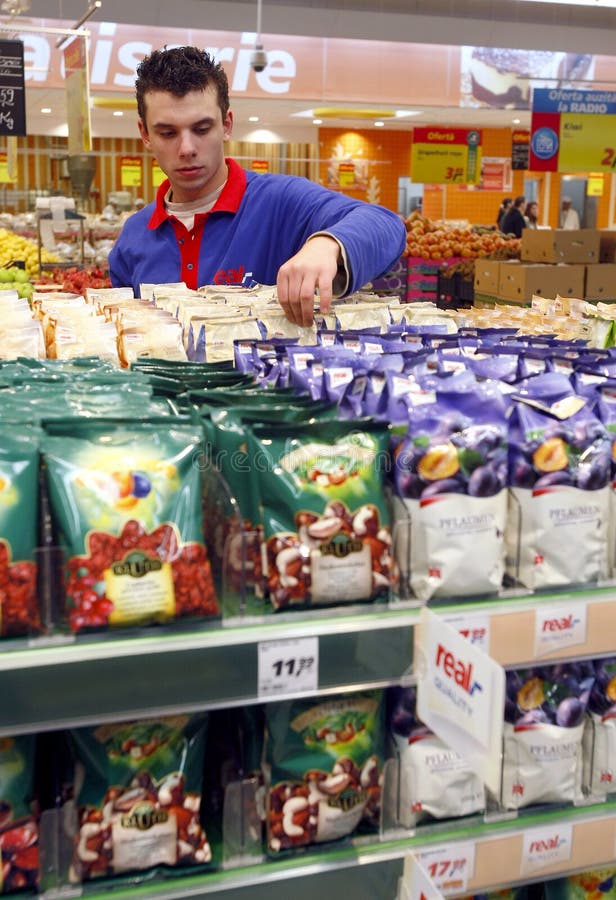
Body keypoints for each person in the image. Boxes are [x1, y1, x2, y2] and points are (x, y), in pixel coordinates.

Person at [109, 46, 406, 326]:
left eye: (202, 129)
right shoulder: (134, 237)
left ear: (226, 125)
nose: (187, 148)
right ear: (145, 134)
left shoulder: (280, 202)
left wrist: (326, 245)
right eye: (167, 133)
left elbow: (386, 225)